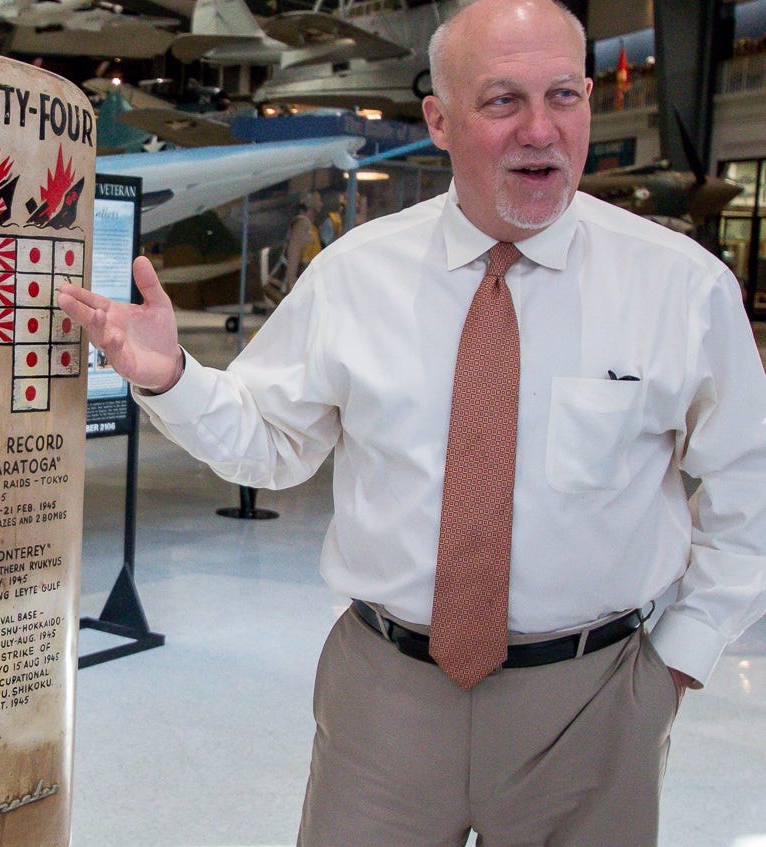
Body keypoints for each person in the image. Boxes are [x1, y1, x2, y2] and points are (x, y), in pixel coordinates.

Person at [55, 0, 766, 843]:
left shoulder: (681, 288)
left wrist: (682, 655)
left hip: (594, 700)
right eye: (503, 101)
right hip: (385, 697)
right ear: (439, 120)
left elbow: (748, 481)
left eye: (564, 96)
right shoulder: (356, 275)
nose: (541, 130)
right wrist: (172, 376)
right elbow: (270, 443)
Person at [281, 191, 323, 290]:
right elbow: (293, 260)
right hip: (301, 284)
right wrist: (293, 287)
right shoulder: (302, 225)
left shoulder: (310, 226)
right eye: (319, 200)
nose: (321, 204)